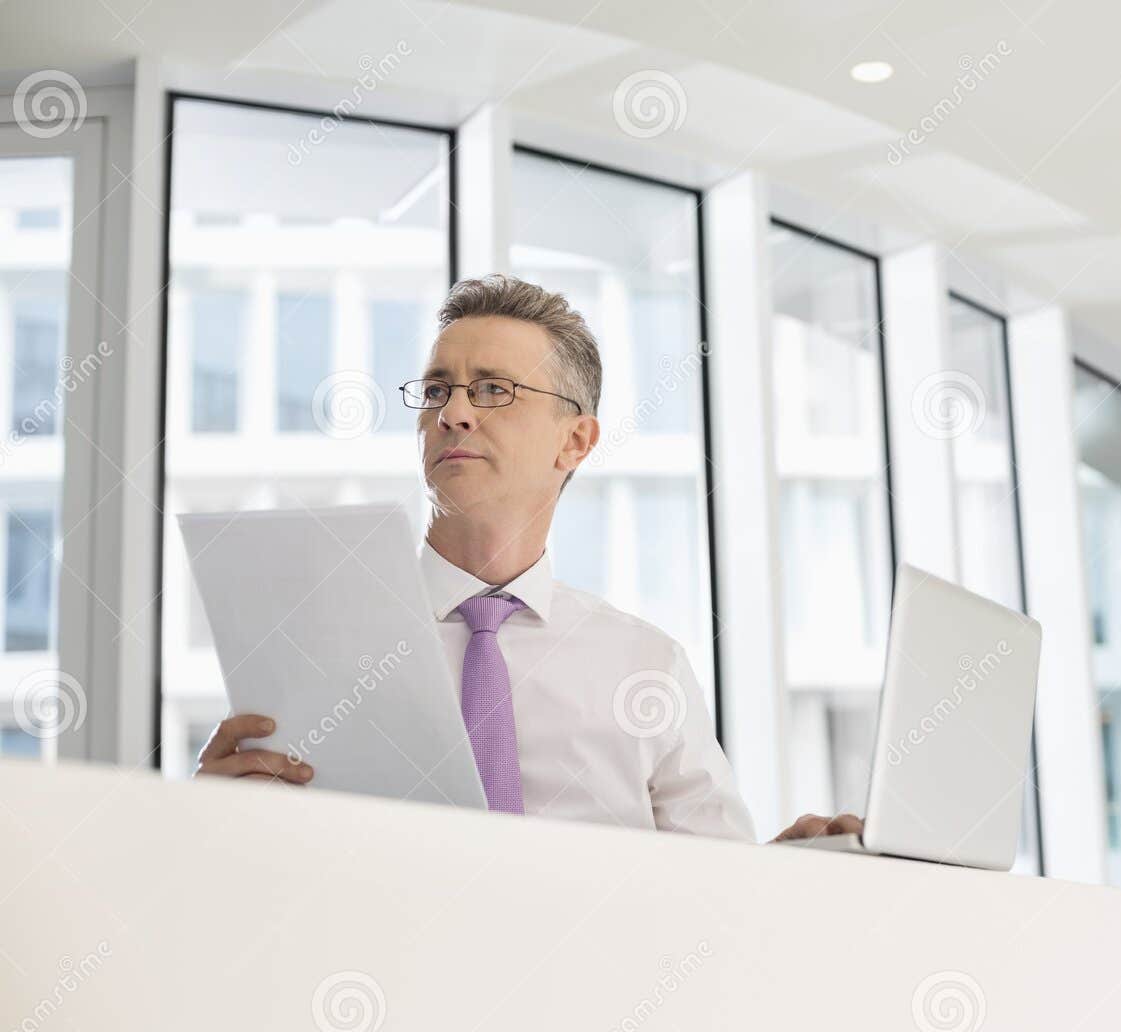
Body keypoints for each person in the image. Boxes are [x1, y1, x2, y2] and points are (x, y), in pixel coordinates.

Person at [194, 274, 859, 846]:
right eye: (436, 391)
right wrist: (204, 821)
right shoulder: (315, 646)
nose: (453, 412)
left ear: (574, 440)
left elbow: (719, 886)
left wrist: (788, 869)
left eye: (492, 390)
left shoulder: (644, 666)